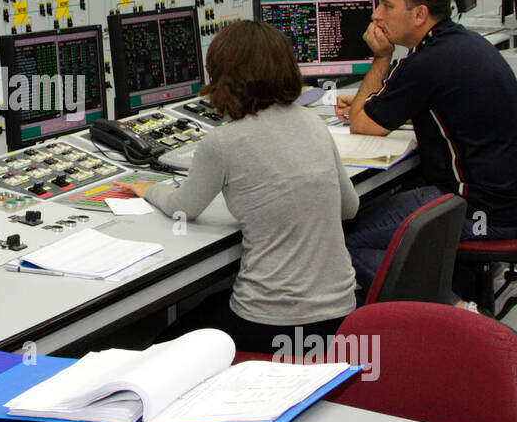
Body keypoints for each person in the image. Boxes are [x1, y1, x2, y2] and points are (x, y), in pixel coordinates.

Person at [114, 20, 359, 355]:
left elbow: (183, 208)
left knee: (158, 347)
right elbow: (350, 208)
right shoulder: (313, 122)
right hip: (342, 317)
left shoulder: (223, 142)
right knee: (210, 303)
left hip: (271, 323)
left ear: (221, 77)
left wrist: (147, 189)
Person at [339, 0, 517, 303]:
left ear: (418, 14)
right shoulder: (461, 42)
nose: (376, 15)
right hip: (512, 203)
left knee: (341, 243)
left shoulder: (425, 63)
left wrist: (381, 57)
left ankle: (455, 311)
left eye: (386, 5)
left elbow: (362, 124)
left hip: (480, 212)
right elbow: (446, 110)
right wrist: (382, 108)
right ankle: (495, 282)